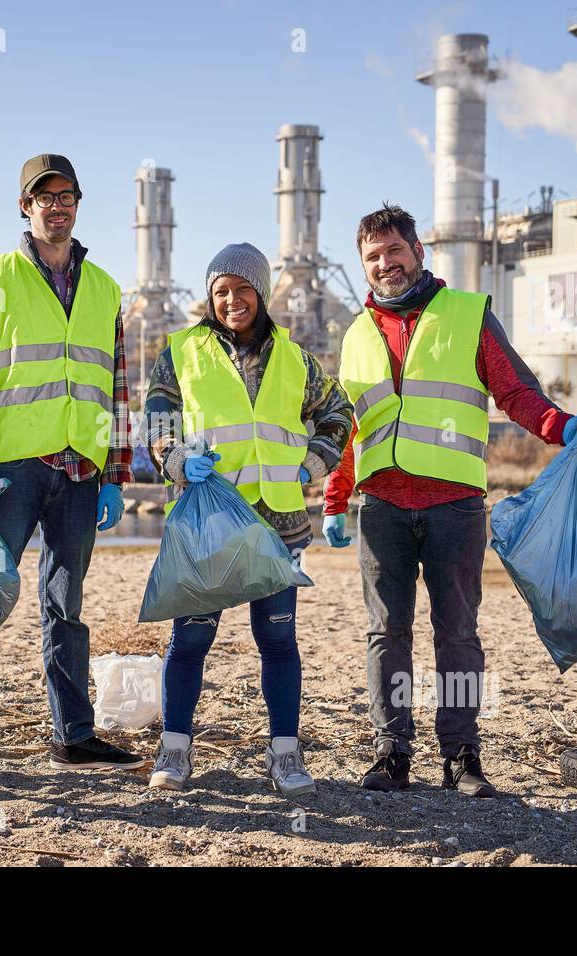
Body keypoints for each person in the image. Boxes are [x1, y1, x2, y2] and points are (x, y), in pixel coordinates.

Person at [324, 204, 577, 798]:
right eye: (372, 257)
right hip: (381, 508)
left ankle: (461, 756)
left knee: (457, 634)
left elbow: (514, 388)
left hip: (454, 507)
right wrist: (335, 497)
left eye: (393, 251)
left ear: (418, 251)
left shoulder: (467, 314)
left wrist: (558, 425)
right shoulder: (355, 334)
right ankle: (392, 751)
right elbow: (354, 425)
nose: (384, 264)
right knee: (386, 634)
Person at [0, 153, 144, 780]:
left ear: (78, 205)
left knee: (66, 605)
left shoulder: (106, 287)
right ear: (25, 207)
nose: (58, 207)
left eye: (68, 197)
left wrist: (116, 471)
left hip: (80, 469)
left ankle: (73, 734)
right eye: (44, 197)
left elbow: (114, 384)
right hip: (12, 466)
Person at [144, 242, 353, 795]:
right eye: (220, 291)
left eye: (242, 290)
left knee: (278, 640)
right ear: (209, 298)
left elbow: (339, 412)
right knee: (190, 641)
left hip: (278, 522)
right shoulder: (179, 352)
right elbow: (157, 419)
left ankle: (285, 753)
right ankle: (175, 748)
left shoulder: (297, 357)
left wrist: (316, 461)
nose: (231, 300)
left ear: (261, 293)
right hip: (208, 521)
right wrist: (175, 459)